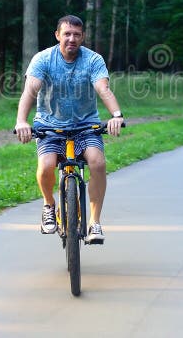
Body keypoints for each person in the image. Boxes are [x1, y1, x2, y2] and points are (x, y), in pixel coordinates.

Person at [15, 15, 124, 244]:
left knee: (98, 162)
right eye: (67, 34)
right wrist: (22, 122)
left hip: (85, 126)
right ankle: (48, 205)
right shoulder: (43, 59)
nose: (71, 39)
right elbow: (30, 91)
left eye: (76, 34)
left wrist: (116, 115)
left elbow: (103, 89)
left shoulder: (93, 60)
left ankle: (94, 222)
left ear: (82, 37)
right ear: (57, 35)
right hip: (49, 126)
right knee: (46, 166)